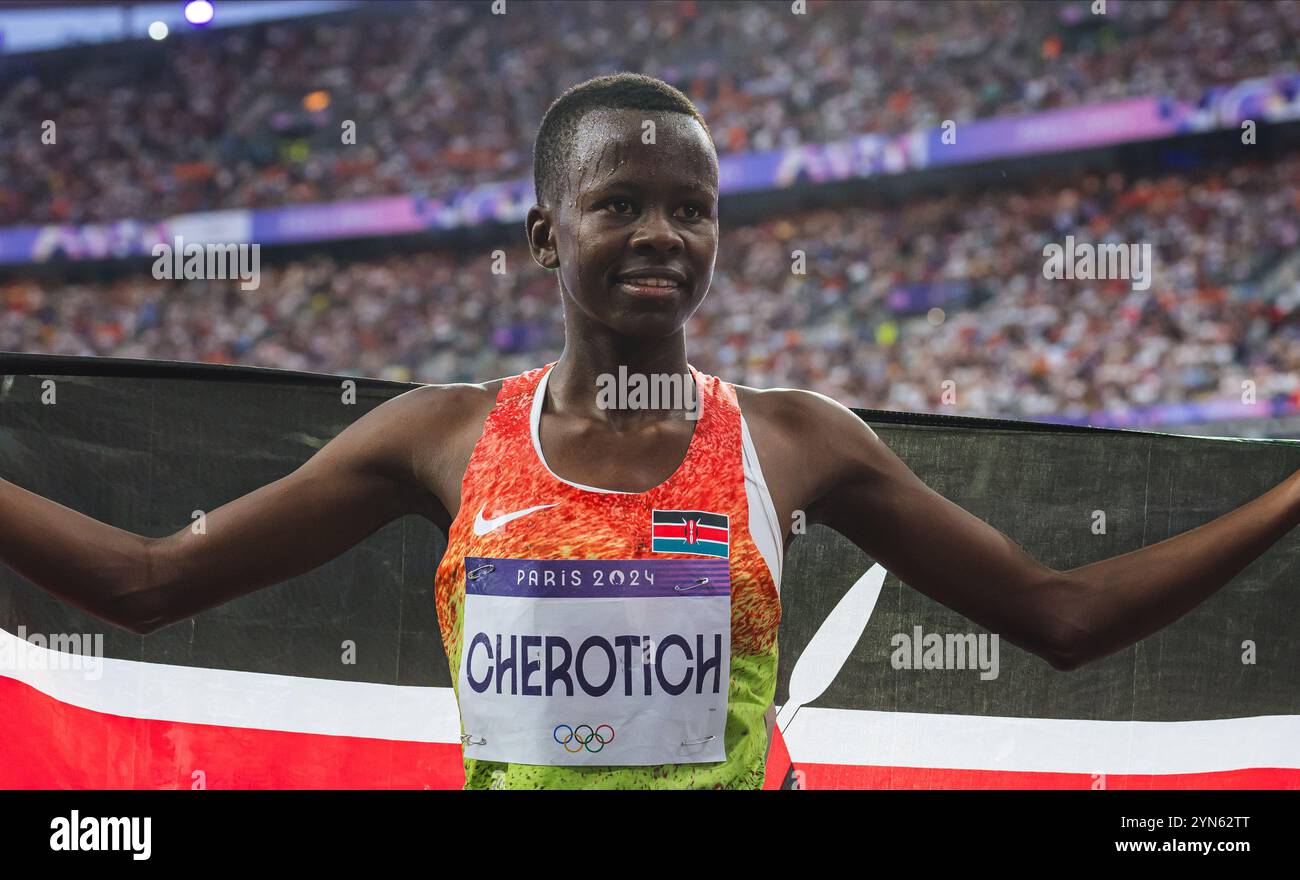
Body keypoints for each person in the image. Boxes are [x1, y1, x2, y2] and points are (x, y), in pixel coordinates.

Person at [1, 73, 1297, 790]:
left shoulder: (796, 442)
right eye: (622, 204)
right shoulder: (439, 441)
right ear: (545, 235)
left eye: (695, 209)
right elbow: (145, 582)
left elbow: (1062, 619)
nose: (665, 237)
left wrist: (1288, 498)